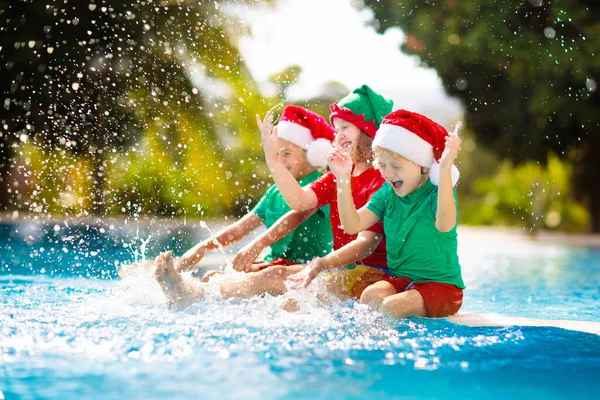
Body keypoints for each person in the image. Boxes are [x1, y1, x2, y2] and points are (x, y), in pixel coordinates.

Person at [153, 86, 395, 306]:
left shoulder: (379, 179)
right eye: (337, 128)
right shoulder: (338, 175)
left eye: (345, 128)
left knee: (284, 288)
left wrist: (320, 264)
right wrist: (271, 160)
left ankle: (192, 296)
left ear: (367, 132)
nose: (338, 134)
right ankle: (191, 296)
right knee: (269, 277)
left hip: (370, 273)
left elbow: (365, 244)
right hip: (342, 269)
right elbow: (298, 200)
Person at [296, 109, 465, 319]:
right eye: (382, 165)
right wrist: (342, 178)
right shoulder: (387, 193)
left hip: (442, 288)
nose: (388, 173)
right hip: (402, 281)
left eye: (396, 166)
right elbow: (352, 224)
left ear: (423, 166)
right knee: (370, 295)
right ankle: (369, 350)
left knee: (391, 307)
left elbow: (445, 224)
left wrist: (446, 169)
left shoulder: (437, 192)